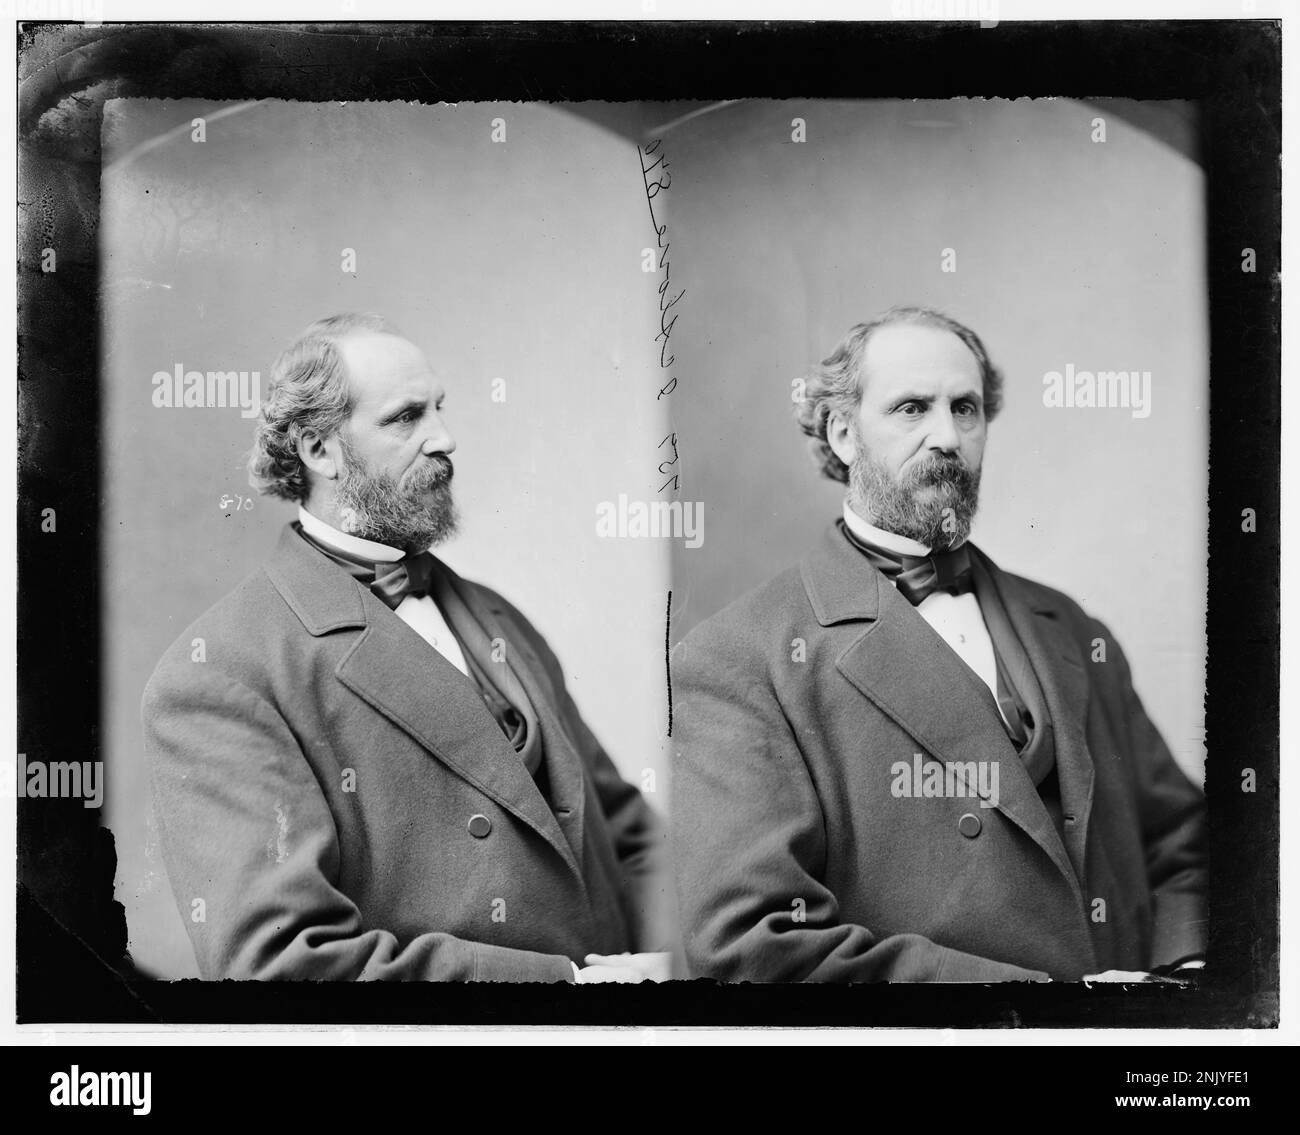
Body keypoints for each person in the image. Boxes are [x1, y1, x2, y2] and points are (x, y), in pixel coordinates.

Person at [670, 306, 1206, 982]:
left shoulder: (1070, 627)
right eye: (912, 408)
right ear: (842, 433)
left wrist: (1183, 975)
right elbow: (753, 945)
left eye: (967, 408)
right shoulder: (737, 659)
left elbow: (1185, 842)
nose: (947, 436)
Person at [143, 313, 672, 982]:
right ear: (320, 450)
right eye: (405, 417)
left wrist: (685, 966)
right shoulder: (223, 673)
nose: (444, 439)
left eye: (440, 409)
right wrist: (566, 987)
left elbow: (626, 834)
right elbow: (282, 965)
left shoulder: (497, 615)